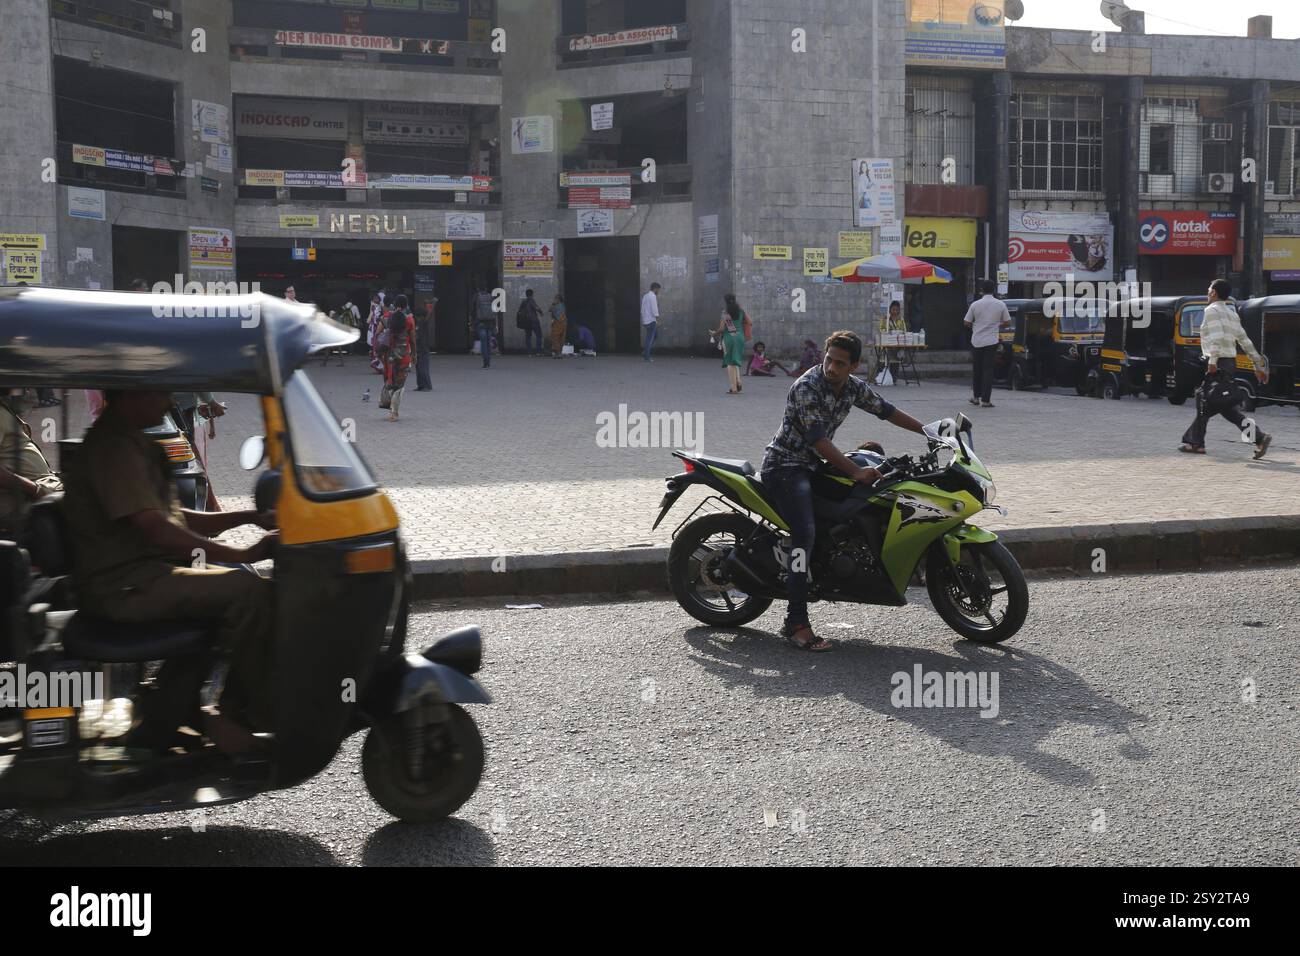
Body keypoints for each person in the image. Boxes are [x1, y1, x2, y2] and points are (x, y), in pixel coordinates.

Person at [60, 389, 278, 755]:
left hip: (140, 575)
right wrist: (243, 552)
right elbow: (156, 529)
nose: (168, 403)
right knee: (249, 591)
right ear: (132, 395)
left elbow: (174, 518)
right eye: (160, 393)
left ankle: (179, 713)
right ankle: (239, 715)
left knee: (235, 589)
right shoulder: (115, 447)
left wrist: (249, 517)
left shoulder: (131, 441)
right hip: (124, 586)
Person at [761, 331, 926, 652]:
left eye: (840, 363)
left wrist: (931, 432)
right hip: (785, 467)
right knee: (804, 534)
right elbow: (819, 441)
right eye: (828, 359)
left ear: (854, 366)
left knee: (865, 500)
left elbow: (886, 410)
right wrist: (854, 471)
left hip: (813, 467)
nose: (831, 367)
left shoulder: (852, 388)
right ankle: (795, 622)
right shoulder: (807, 387)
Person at [1179, 279, 1271, 459]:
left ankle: (1196, 443)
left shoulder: (1211, 311)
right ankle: (1197, 443)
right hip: (1229, 363)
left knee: (1207, 401)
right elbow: (1245, 341)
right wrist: (1257, 364)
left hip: (1218, 363)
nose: (1207, 293)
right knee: (1224, 407)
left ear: (1214, 293)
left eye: (1208, 290)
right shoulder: (1231, 313)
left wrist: (1212, 361)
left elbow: (1217, 338)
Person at [0, 390, 63, 522]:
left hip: (41, 488)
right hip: (25, 499)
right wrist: (36, 490)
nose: (27, 391)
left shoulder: (4, 410)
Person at [963, 280, 1012, 408]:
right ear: (994, 289)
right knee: (988, 370)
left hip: (977, 340)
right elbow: (1008, 322)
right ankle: (986, 400)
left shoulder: (975, 304)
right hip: (991, 341)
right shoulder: (1000, 304)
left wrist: (977, 325)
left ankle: (975, 397)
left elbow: (966, 322)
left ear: (982, 290)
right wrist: (997, 324)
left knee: (977, 369)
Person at [383, 295, 416, 422]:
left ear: (395, 304)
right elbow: (412, 340)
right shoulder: (409, 320)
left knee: (391, 380)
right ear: (406, 305)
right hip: (403, 355)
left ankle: (390, 406)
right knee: (400, 384)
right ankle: (394, 412)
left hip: (390, 356)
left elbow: (380, 334)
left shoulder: (388, 317)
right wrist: (414, 354)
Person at [711, 294, 747, 394]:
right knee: (735, 360)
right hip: (740, 337)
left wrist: (714, 333)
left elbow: (722, 328)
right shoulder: (741, 311)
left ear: (725, 301)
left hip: (729, 338)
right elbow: (748, 322)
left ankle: (734, 388)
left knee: (730, 363)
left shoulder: (726, 312)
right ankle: (738, 382)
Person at [472, 281, 496, 369]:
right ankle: (488, 361)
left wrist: (473, 323)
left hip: (480, 322)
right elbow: (494, 310)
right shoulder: (490, 296)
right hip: (489, 322)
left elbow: (473, 310)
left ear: (478, 289)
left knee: (483, 343)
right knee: (488, 342)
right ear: (486, 289)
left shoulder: (477, 297)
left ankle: (485, 362)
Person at [516, 289, 546, 356]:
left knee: (528, 336)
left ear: (526, 294)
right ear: (532, 294)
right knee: (539, 335)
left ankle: (529, 352)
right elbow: (536, 307)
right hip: (534, 321)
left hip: (526, 322)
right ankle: (538, 352)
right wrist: (541, 312)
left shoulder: (523, 302)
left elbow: (519, 311)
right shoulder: (531, 300)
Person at [415, 299, 435, 391]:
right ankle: (421, 385)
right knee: (418, 368)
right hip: (418, 349)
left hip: (424, 349)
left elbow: (429, 316)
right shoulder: (418, 324)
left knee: (423, 368)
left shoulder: (423, 322)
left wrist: (432, 305)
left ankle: (427, 385)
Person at [641, 282, 661, 362]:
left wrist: (643, 319)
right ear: (655, 288)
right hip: (651, 320)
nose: (659, 291)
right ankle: (647, 357)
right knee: (649, 339)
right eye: (658, 290)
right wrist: (657, 319)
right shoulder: (652, 296)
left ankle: (646, 351)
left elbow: (642, 309)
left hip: (646, 320)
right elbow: (654, 309)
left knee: (655, 335)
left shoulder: (645, 296)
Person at [549, 293, 568, 357]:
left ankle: (558, 353)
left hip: (558, 323)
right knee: (561, 338)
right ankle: (559, 353)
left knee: (555, 337)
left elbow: (550, 310)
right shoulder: (562, 305)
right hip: (563, 323)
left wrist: (552, 304)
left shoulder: (557, 306)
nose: (554, 300)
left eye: (555, 298)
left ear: (558, 299)